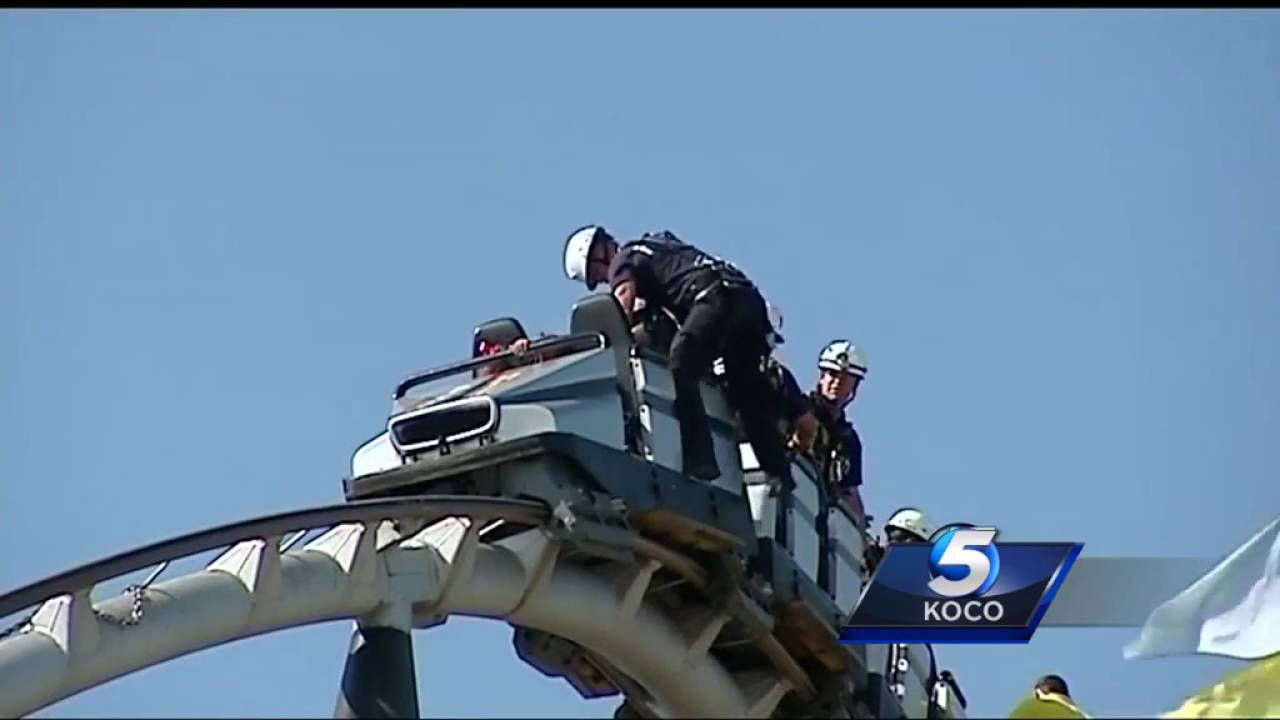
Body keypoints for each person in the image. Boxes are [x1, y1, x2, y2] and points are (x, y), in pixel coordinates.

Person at [563, 225, 790, 485]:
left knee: (682, 361)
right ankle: (780, 474)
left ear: (598, 254)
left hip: (712, 299)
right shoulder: (656, 246)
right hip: (746, 301)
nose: (603, 280)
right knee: (742, 389)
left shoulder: (622, 259)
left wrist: (609, 340)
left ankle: (700, 458)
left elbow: (622, 302)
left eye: (595, 274)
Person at [806, 340, 867, 509]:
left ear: (854, 386)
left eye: (845, 379)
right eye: (832, 374)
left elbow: (851, 494)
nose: (837, 383)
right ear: (822, 377)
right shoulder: (799, 410)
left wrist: (859, 523)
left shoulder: (849, 440)